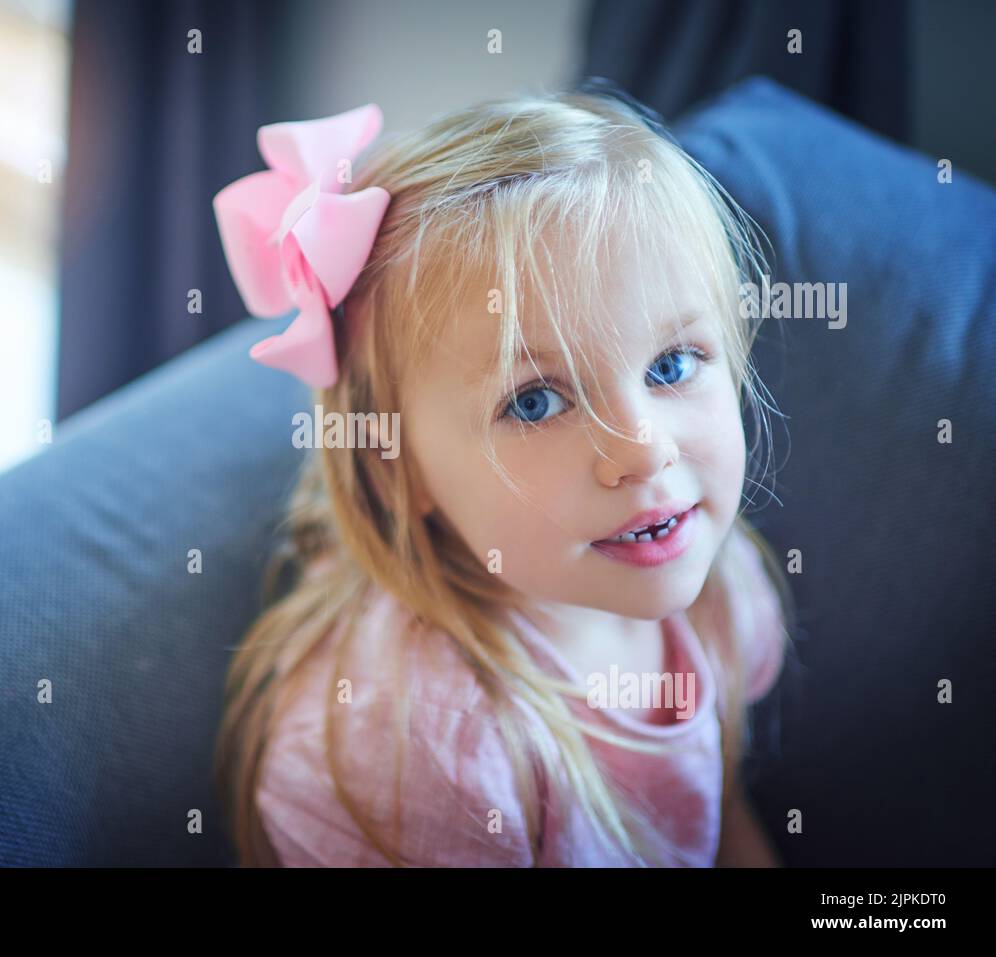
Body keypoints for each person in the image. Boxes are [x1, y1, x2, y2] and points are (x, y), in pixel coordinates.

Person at [212, 92, 794, 867]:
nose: (644, 451)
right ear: (396, 470)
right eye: (535, 400)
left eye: (671, 364)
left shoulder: (725, 593)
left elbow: (723, 819)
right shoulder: (417, 753)